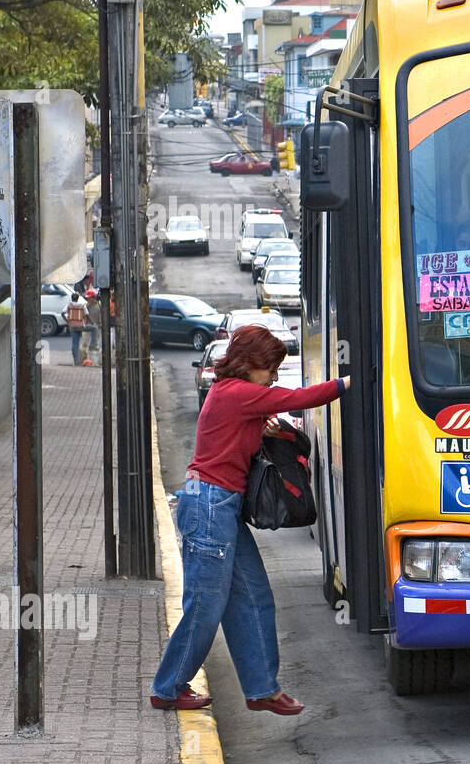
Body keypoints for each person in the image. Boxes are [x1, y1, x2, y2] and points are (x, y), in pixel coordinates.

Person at [150, 324, 350, 715]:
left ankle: (262, 689)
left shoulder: (235, 396)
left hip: (220, 507)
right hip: (210, 507)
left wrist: (265, 429)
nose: (274, 376)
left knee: (254, 596)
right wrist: (346, 383)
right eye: (271, 367)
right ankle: (167, 687)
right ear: (251, 363)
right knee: (206, 604)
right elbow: (298, 397)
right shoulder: (238, 393)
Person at [64, 292, 88, 365]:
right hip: (80, 325)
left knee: (75, 343)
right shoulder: (82, 306)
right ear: (78, 298)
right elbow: (87, 314)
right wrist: (86, 322)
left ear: (71, 298)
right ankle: (79, 360)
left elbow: (62, 313)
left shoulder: (69, 305)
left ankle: (76, 360)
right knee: (79, 341)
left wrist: (67, 321)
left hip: (72, 326)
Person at [83, 288, 101, 364]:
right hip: (87, 326)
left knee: (95, 344)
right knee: (85, 343)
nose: (88, 299)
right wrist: (87, 305)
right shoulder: (86, 306)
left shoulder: (99, 305)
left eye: (89, 298)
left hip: (96, 326)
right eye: (87, 298)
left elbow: (101, 315)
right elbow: (84, 314)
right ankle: (85, 360)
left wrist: (100, 323)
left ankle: (93, 361)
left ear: (93, 297)